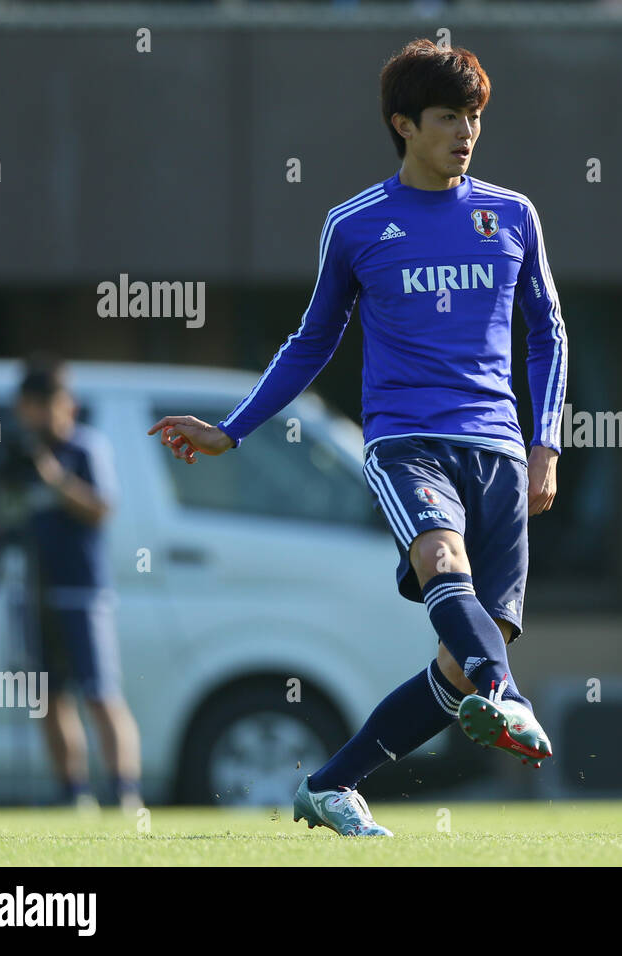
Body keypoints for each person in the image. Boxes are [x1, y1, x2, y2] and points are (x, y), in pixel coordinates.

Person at [148, 38, 568, 837]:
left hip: (501, 450)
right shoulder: (356, 225)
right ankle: (504, 691)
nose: (466, 132)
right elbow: (310, 342)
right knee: (441, 563)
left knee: (459, 658)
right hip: (406, 439)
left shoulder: (512, 214)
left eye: (474, 117)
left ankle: (333, 784)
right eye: (450, 117)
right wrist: (232, 432)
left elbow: (548, 332)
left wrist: (544, 440)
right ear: (404, 124)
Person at [0, 356, 143, 813]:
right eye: (30, 407)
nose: (39, 416)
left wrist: (53, 478)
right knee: (47, 694)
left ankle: (124, 790)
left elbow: (101, 509)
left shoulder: (84, 449)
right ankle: (73, 794)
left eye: (48, 405)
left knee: (99, 691)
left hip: (81, 591)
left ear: (64, 405)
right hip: (29, 590)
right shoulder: (15, 454)